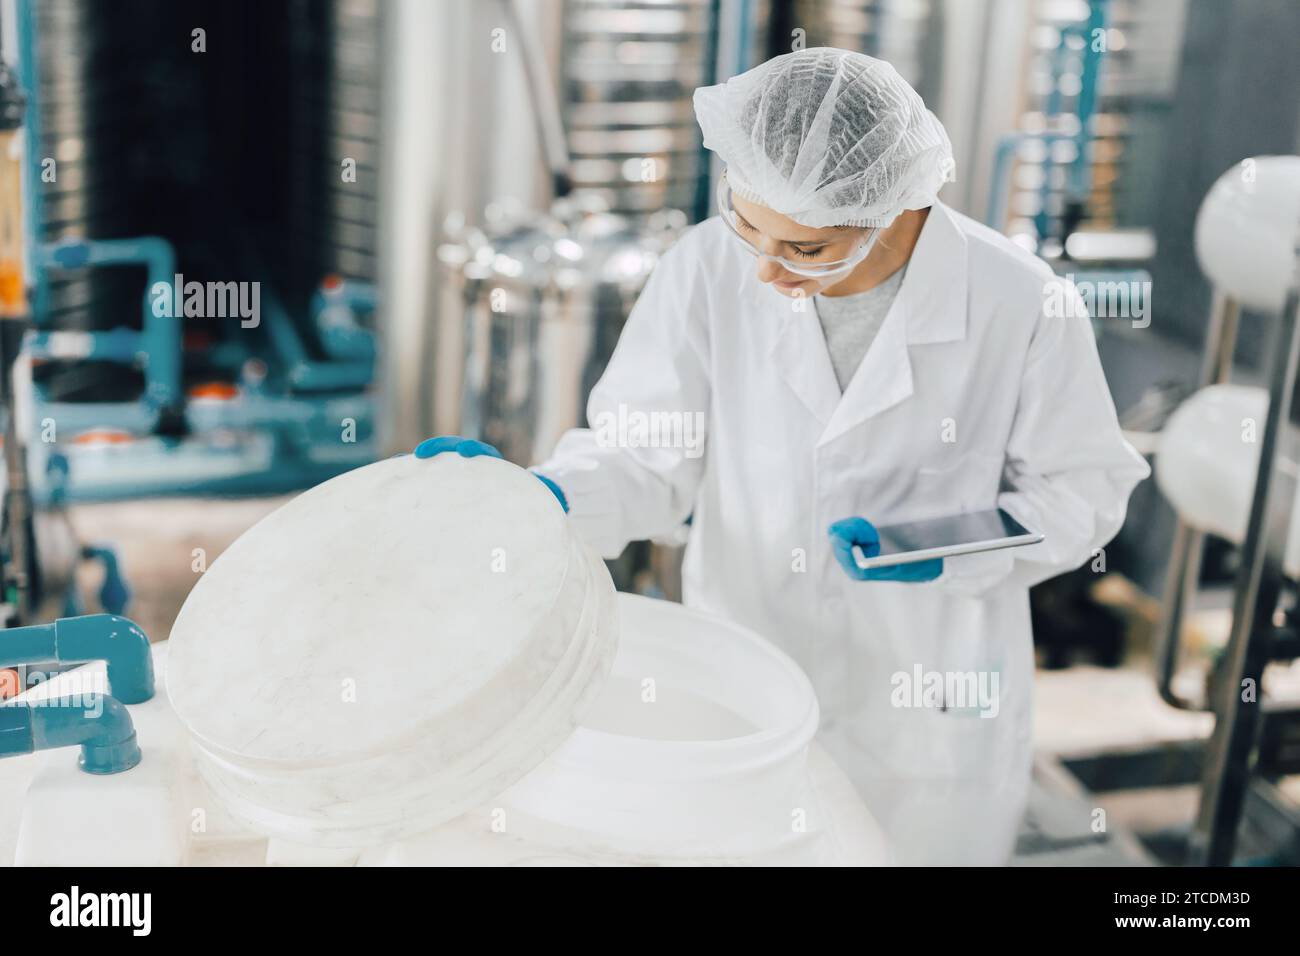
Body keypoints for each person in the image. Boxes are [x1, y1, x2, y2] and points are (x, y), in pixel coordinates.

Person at [417, 48, 1149, 865]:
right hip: (743, 675)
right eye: (746, 222)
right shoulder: (704, 268)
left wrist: (944, 547)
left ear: (895, 208)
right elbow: (647, 459)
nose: (764, 268)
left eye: (805, 249)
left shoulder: (1017, 299)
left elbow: (1081, 491)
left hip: (927, 700)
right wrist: (545, 496)